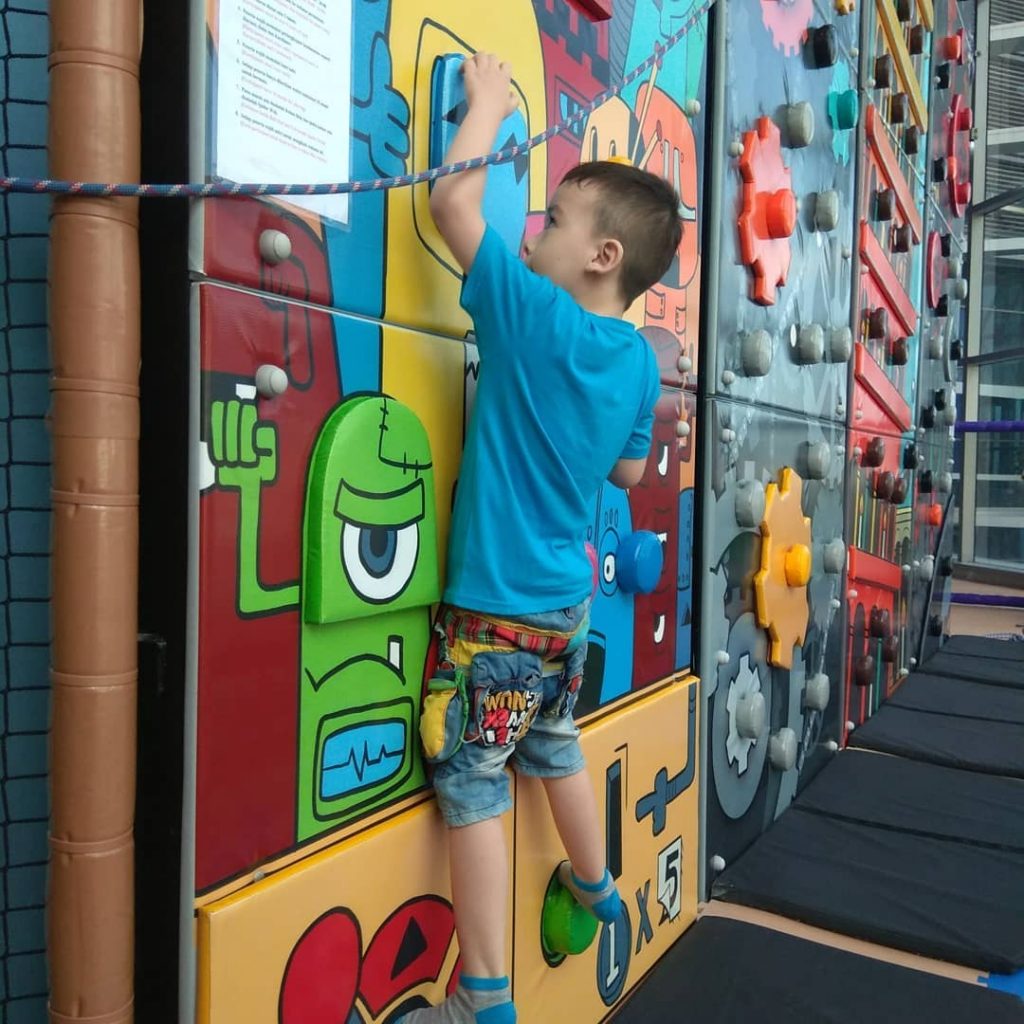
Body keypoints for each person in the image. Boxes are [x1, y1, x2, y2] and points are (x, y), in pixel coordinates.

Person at [401, 53, 682, 1024]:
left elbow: (450, 208)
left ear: (602, 257)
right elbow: (629, 474)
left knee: (472, 777)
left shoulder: (529, 318)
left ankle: (483, 996)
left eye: (554, 220)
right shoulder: (637, 365)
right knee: (553, 741)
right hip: (563, 608)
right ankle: (598, 888)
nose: (536, 230)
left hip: (497, 612)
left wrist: (484, 106)